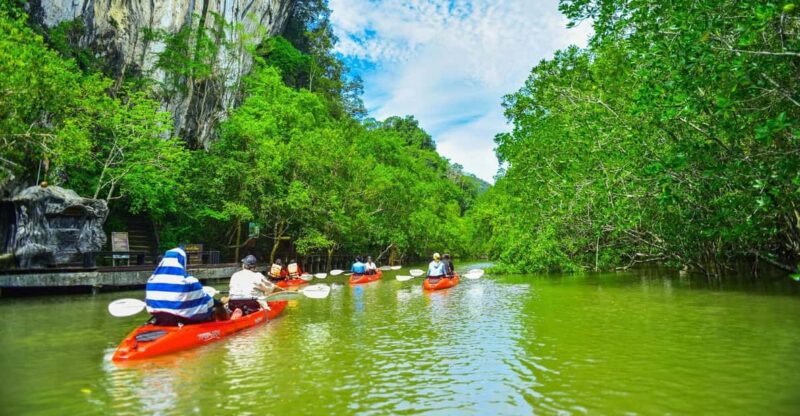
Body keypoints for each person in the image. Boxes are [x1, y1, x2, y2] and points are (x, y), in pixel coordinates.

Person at [145, 247, 228, 326]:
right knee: (214, 306)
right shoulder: (189, 281)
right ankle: (227, 322)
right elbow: (205, 301)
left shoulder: (151, 281)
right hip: (183, 319)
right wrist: (219, 303)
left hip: (161, 318)